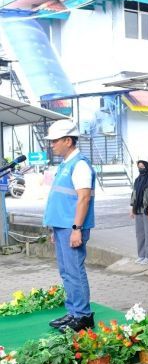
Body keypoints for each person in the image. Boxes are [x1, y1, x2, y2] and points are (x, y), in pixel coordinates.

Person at [44, 120, 97, 333]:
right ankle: (73, 311)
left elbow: (83, 199)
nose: (52, 145)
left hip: (72, 227)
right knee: (66, 271)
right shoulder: (66, 164)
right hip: (62, 226)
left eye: (55, 141)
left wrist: (76, 228)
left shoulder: (80, 165)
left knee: (75, 271)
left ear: (68, 140)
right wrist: (54, 229)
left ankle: (83, 316)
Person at [130, 156, 148, 265]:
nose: (141, 169)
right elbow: (134, 194)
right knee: (140, 233)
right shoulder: (137, 180)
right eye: (139, 167)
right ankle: (141, 255)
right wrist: (132, 208)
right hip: (138, 210)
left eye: (143, 166)